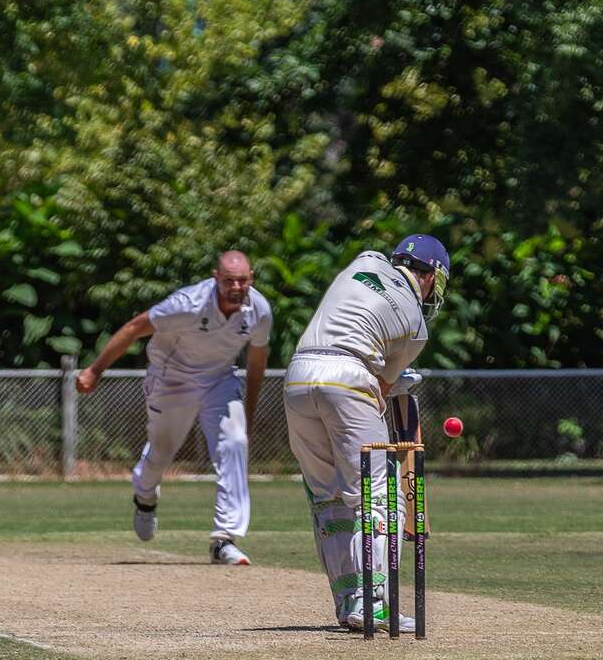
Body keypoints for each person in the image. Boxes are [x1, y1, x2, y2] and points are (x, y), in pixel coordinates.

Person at [283, 235, 449, 633]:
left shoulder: (365, 260)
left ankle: (348, 602)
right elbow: (383, 388)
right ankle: (373, 602)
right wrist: (399, 383)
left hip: (297, 376)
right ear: (432, 278)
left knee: (327, 498)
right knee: (378, 495)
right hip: (349, 378)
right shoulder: (417, 326)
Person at [75, 251, 272, 565]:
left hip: (219, 381)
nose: (236, 287)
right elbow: (134, 327)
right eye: (229, 281)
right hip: (171, 380)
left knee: (234, 442)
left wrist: (248, 413)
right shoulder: (188, 304)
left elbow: (257, 360)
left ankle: (224, 540)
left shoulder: (258, 310)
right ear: (215, 278)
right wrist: (95, 370)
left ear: (252, 278)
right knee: (161, 453)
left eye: (243, 280)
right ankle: (145, 495)